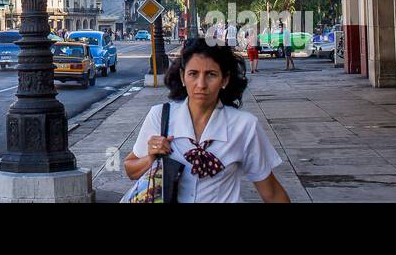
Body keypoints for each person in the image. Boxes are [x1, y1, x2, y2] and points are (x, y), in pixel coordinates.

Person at [123, 37, 289, 203]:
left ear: (224, 79)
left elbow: (272, 193)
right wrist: (151, 158)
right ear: (182, 76)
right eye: (193, 74)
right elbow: (131, 170)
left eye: (211, 74)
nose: (201, 84)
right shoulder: (160, 116)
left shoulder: (244, 126)